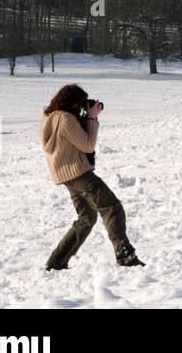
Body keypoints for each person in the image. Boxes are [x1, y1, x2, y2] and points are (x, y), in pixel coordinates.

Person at [39, 84, 143, 270]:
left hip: (66, 176)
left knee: (86, 219)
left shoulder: (50, 118)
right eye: (80, 103)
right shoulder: (65, 119)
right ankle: (125, 255)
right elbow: (87, 145)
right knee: (112, 208)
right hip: (79, 174)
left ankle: (56, 263)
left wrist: (85, 117)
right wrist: (92, 118)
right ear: (72, 102)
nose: (81, 107)